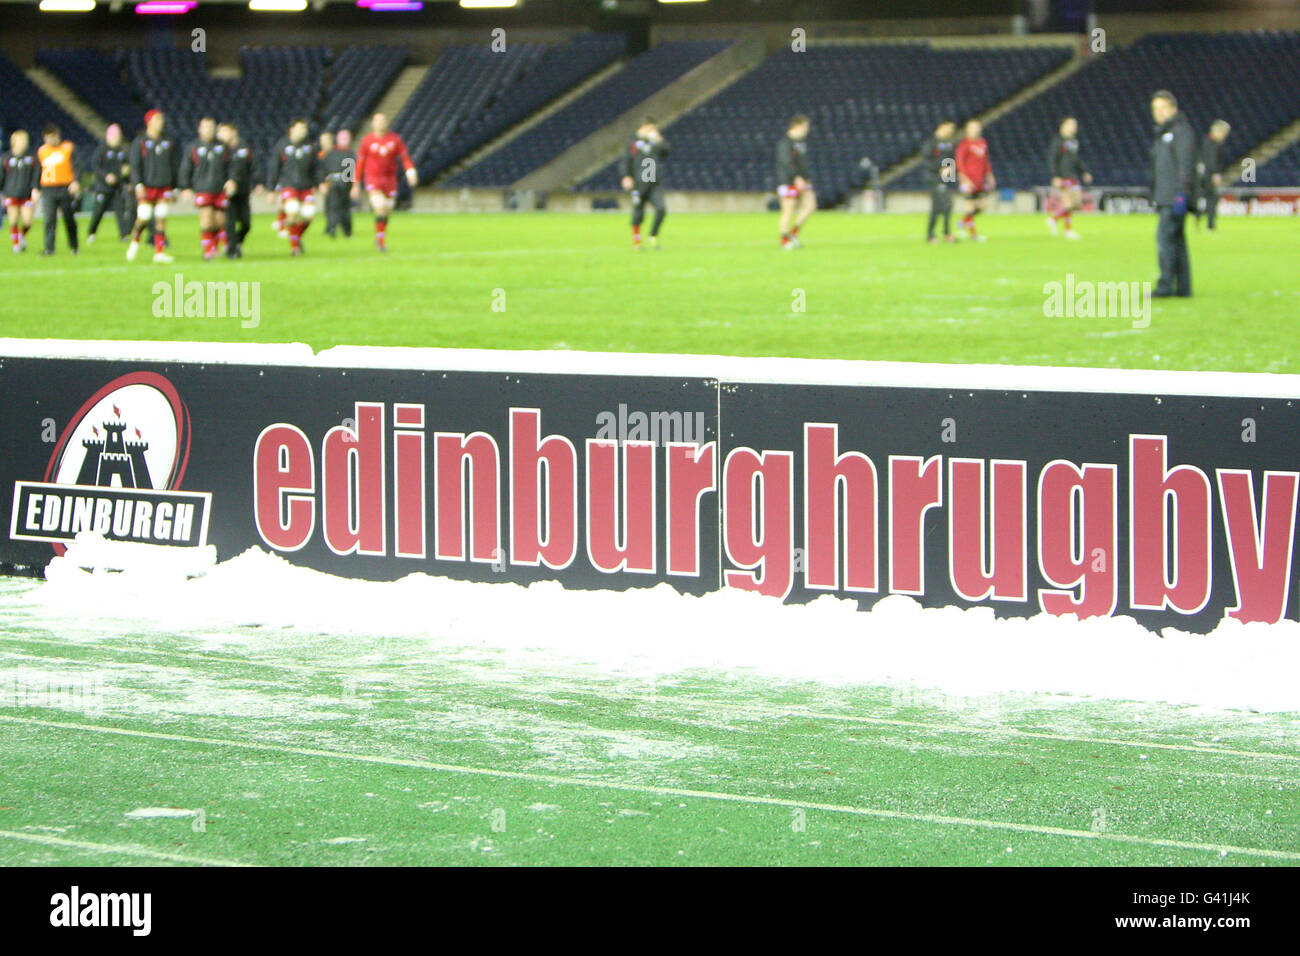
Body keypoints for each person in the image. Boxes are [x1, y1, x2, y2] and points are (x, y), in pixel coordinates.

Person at [1149, 90, 1195, 297]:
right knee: (1177, 242)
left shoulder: (1180, 131)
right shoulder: (1163, 132)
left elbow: (1185, 164)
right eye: (1155, 109)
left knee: (1165, 240)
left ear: (1173, 109)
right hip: (1165, 195)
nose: (1158, 112)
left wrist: (1182, 194)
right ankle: (1183, 288)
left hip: (1173, 196)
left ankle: (1165, 286)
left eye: (1162, 108)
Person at [354, 112, 416, 252]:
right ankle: (381, 243)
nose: (381, 123)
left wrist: (411, 172)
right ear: (373, 123)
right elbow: (360, 163)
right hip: (373, 178)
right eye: (378, 121)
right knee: (380, 207)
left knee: (386, 210)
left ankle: (379, 236)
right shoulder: (366, 141)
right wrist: (356, 184)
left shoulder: (395, 139)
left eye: (383, 120)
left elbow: (405, 158)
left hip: (390, 180)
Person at [127, 109, 179, 264]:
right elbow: (135, 165)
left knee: (161, 216)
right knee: (144, 215)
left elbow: (173, 165)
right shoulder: (140, 142)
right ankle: (135, 240)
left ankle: (159, 252)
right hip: (147, 185)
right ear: (149, 122)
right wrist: (138, 184)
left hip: (164, 186)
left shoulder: (168, 141)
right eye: (157, 119)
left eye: (161, 119)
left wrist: (175, 187)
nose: (161, 122)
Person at [179, 116, 234, 261]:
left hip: (220, 189)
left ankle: (215, 245)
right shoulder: (194, 147)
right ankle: (208, 250)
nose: (209, 130)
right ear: (200, 129)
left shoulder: (223, 147)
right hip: (202, 188)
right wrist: (185, 187)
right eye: (206, 127)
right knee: (206, 219)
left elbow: (231, 166)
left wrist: (231, 180)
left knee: (220, 221)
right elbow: (186, 168)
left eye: (211, 127)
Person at [266, 117, 320, 257]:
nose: (303, 131)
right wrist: (271, 189)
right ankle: (294, 247)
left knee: (308, 215)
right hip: (289, 185)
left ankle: (296, 236)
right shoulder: (282, 145)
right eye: (300, 128)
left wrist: (318, 183)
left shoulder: (310, 146)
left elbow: (315, 167)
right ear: (292, 130)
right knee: (293, 210)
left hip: (306, 185)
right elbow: (274, 167)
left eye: (304, 129)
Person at [619, 117, 669, 249]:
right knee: (638, 213)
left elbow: (666, 153)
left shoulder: (654, 142)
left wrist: (660, 140)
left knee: (661, 209)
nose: (652, 131)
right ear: (643, 127)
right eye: (651, 128)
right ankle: (637, 242)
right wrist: (626, 176)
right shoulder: (633, 142)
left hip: (654, 183)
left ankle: (653, 237)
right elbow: (626, 160)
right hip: (639, 184)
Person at [1046, 115, 1093, 239]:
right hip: (1063, 176)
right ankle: (1068, 231)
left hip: (1073, 176)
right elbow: (1053, 159)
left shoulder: (1074, 141)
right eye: (1072, 124)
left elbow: (1076, 160)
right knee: (1068, 204)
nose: (1074, 127)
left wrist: (1084, 172)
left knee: (1077, 204)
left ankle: (1054, 219)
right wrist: (1055, 176)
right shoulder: (1058, 141)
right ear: (1064, 125)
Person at [37, 125, 79, 257]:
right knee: (49, 219)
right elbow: (38, 171)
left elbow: (77, 166)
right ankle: (49, 248)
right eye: (46, 138)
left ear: (57, 135)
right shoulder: (42, 151)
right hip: (48, 188)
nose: (49, 141)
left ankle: (74, 246)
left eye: (51, 137)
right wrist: (36, 188)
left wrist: (76, 181)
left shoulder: (68, 148)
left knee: (68, 218)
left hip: (64, 187)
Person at [87, 123, 131, 243]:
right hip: (103, 187)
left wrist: (127, 174)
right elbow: (96, 166)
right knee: (98, 211)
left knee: (121, 211)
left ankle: (124, 234)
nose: (117, 139)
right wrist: (106, 176)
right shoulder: (102, 150)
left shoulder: (122, 151)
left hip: (118, 187)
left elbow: (127, 166)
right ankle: (91, 232)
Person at [776, 114, 815, 249]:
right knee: (789, 209)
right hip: (788, 181)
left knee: (810, 205)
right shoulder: (785, 143)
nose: (806, 130)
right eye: (805, 127)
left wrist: (806, 178)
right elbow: (786, 162)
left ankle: (794, 232)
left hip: (803, 181)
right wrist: (796, 177)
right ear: (796, 126)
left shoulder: (800, 143)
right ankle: (784, 240)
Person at [218, 122, 255, 259]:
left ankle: (237, 242)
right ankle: (232, 250)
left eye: (224, 131)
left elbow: (252, 165)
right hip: (226, 191)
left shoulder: (244, 147)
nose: (221, 135)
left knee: (246, 223)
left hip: (243, 190)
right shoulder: (220, 149)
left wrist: (258, 182)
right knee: (230, 222)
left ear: (233, 132)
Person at [955, 119, 994, 241]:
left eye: (977, 127)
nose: (975, 130)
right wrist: (965, 179)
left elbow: (985, 161)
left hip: (980, 180)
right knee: (970, 207)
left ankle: (962, 221)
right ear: (968, 129)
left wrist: (990, 175)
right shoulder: (964, 145)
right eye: (973, 128)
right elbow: (959, 163)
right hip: (968, 180)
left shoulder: (982, 143)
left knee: (983, 206)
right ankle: (973, 235)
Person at [1, 129, 39, 253]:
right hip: (10, 193)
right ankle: (16, 245)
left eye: (25, 141)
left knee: (28, 221)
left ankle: (21, 236)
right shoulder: (6, 158)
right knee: (13, 219)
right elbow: (1, 176)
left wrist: (36, 189)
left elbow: (36, 175)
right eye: (21, 141)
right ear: (14, 142)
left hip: (26, 194)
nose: (23, 143)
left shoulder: (31, 158)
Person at [922, 119, 958, 243]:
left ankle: (931, 235)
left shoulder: (950, 143)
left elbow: (952, 161)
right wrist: (940, 169)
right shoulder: (931, 142)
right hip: (933, 178)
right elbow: (926, 161)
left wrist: (950, 172)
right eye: (950, 127)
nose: (952, 131)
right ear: (942, 127)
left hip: (945, 179)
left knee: (937, 207)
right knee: (946, 204)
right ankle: (946, 233)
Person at [1194, 119, 1231, 231]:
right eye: (1223, 133)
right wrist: (1216, 173)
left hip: (1202, 175)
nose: (1224, 136)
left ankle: (1199, 216)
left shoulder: (1206, 141)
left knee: (1203, 198)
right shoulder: (1213, 144)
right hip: (1208, 176)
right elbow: (1212, 161)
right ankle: (1210, 224)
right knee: (1211, 199)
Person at [321, 129, 356, 239]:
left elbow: (324, 171)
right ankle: (347, 231)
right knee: (344, 208)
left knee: (333, 207)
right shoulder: (351, 154)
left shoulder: (331, 154)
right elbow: (350, 172)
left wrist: (324, 183)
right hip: (344, 183)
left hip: (333, 183)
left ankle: (332, 228)